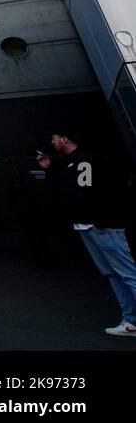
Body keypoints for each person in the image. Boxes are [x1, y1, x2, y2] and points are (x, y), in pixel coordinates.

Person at [40, 130, 136, 337]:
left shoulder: (86, 160)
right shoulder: (69, 163)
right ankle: (131, 321)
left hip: (100, 227)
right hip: (86, 226)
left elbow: (95, 191)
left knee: (128, 274)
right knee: (113, 274)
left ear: (64, 138)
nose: (52, 142)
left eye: (54, 138)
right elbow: (68, 190)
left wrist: (101, 220)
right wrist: (49, 169)